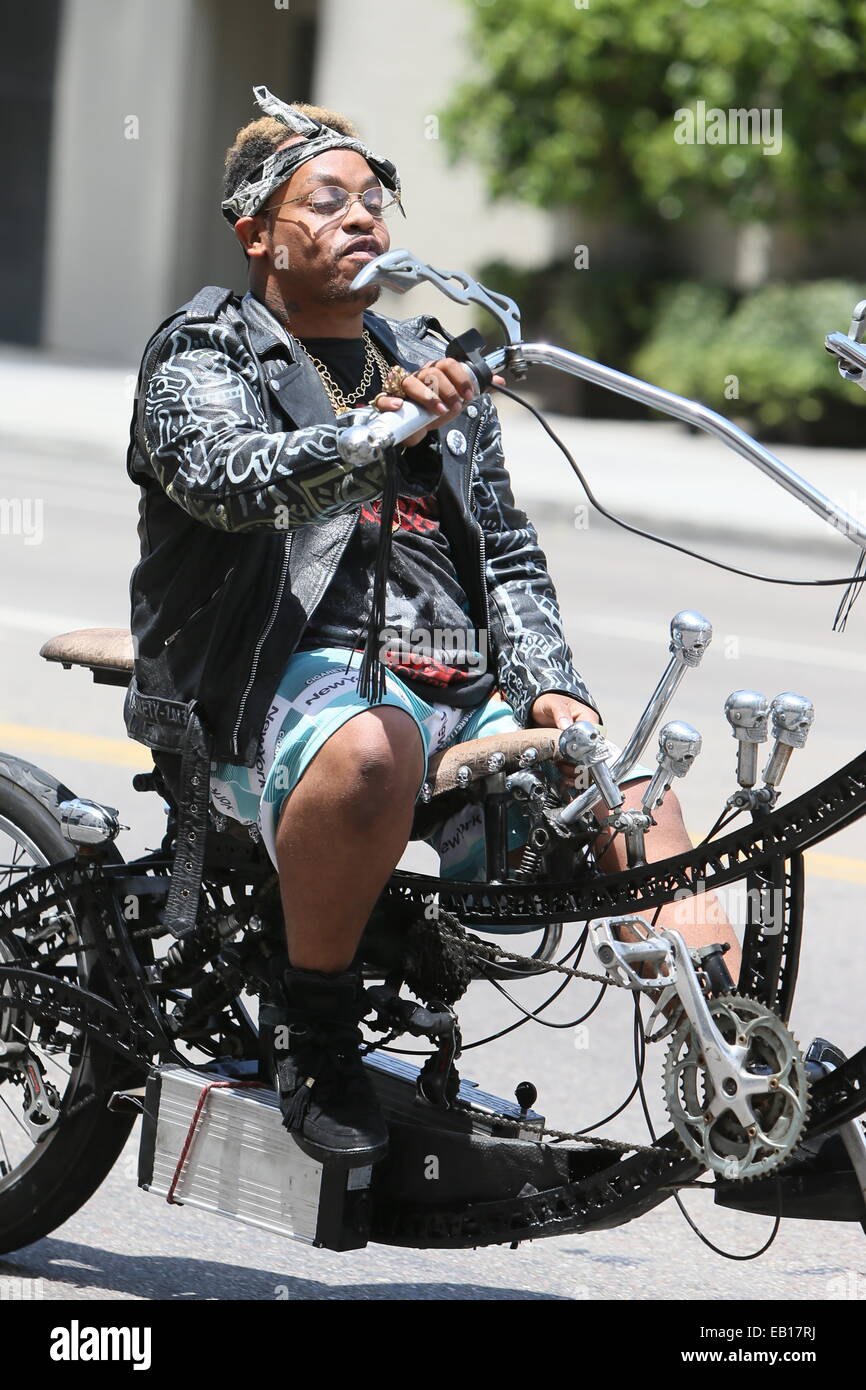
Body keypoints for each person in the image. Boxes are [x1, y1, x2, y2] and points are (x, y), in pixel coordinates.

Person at [125, 87, 740, 1170]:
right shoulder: (201, 355)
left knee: (628, 791)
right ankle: (314, 1034)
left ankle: (729, 1072)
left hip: (454, 684)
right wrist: (385, 425)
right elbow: (234, 479)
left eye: (375, 198)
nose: (362, 216)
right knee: (374, 745)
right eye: (328, 200)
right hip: (275, 690)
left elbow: (503, 551)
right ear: (255, 231)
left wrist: (553, 687)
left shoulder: (429, 358)